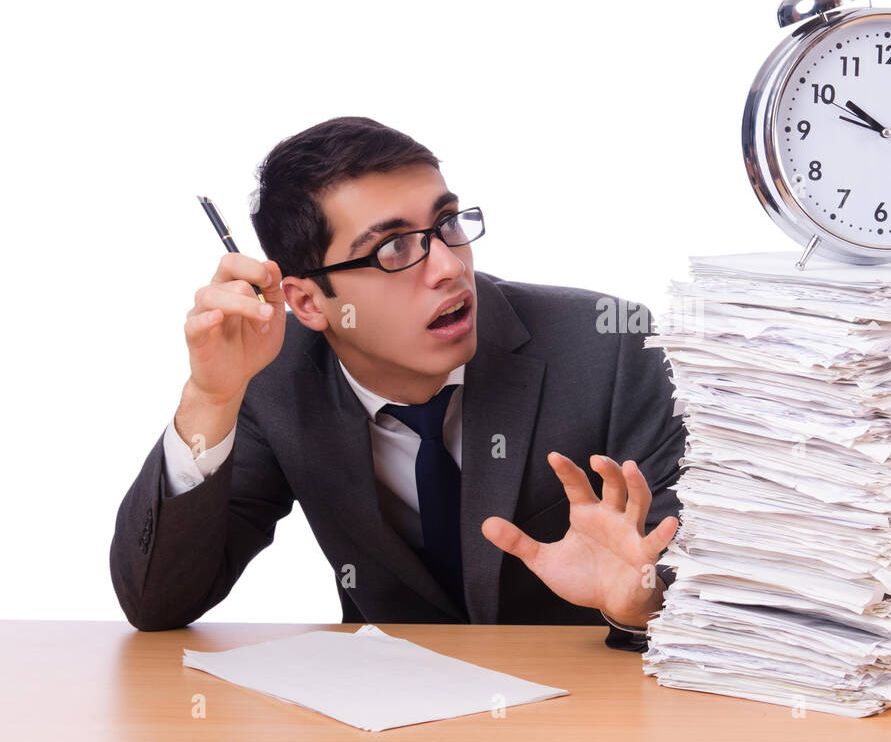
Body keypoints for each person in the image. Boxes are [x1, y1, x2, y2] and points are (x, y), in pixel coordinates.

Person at [111, 116, 685, 651]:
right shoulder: (270, 378)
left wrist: (640, 603)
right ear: (308, 302)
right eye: (394, 248)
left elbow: (717, 593)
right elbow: (159, 601)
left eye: (447, 224)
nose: (450, 267)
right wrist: (210, 397)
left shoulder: (610, 349)